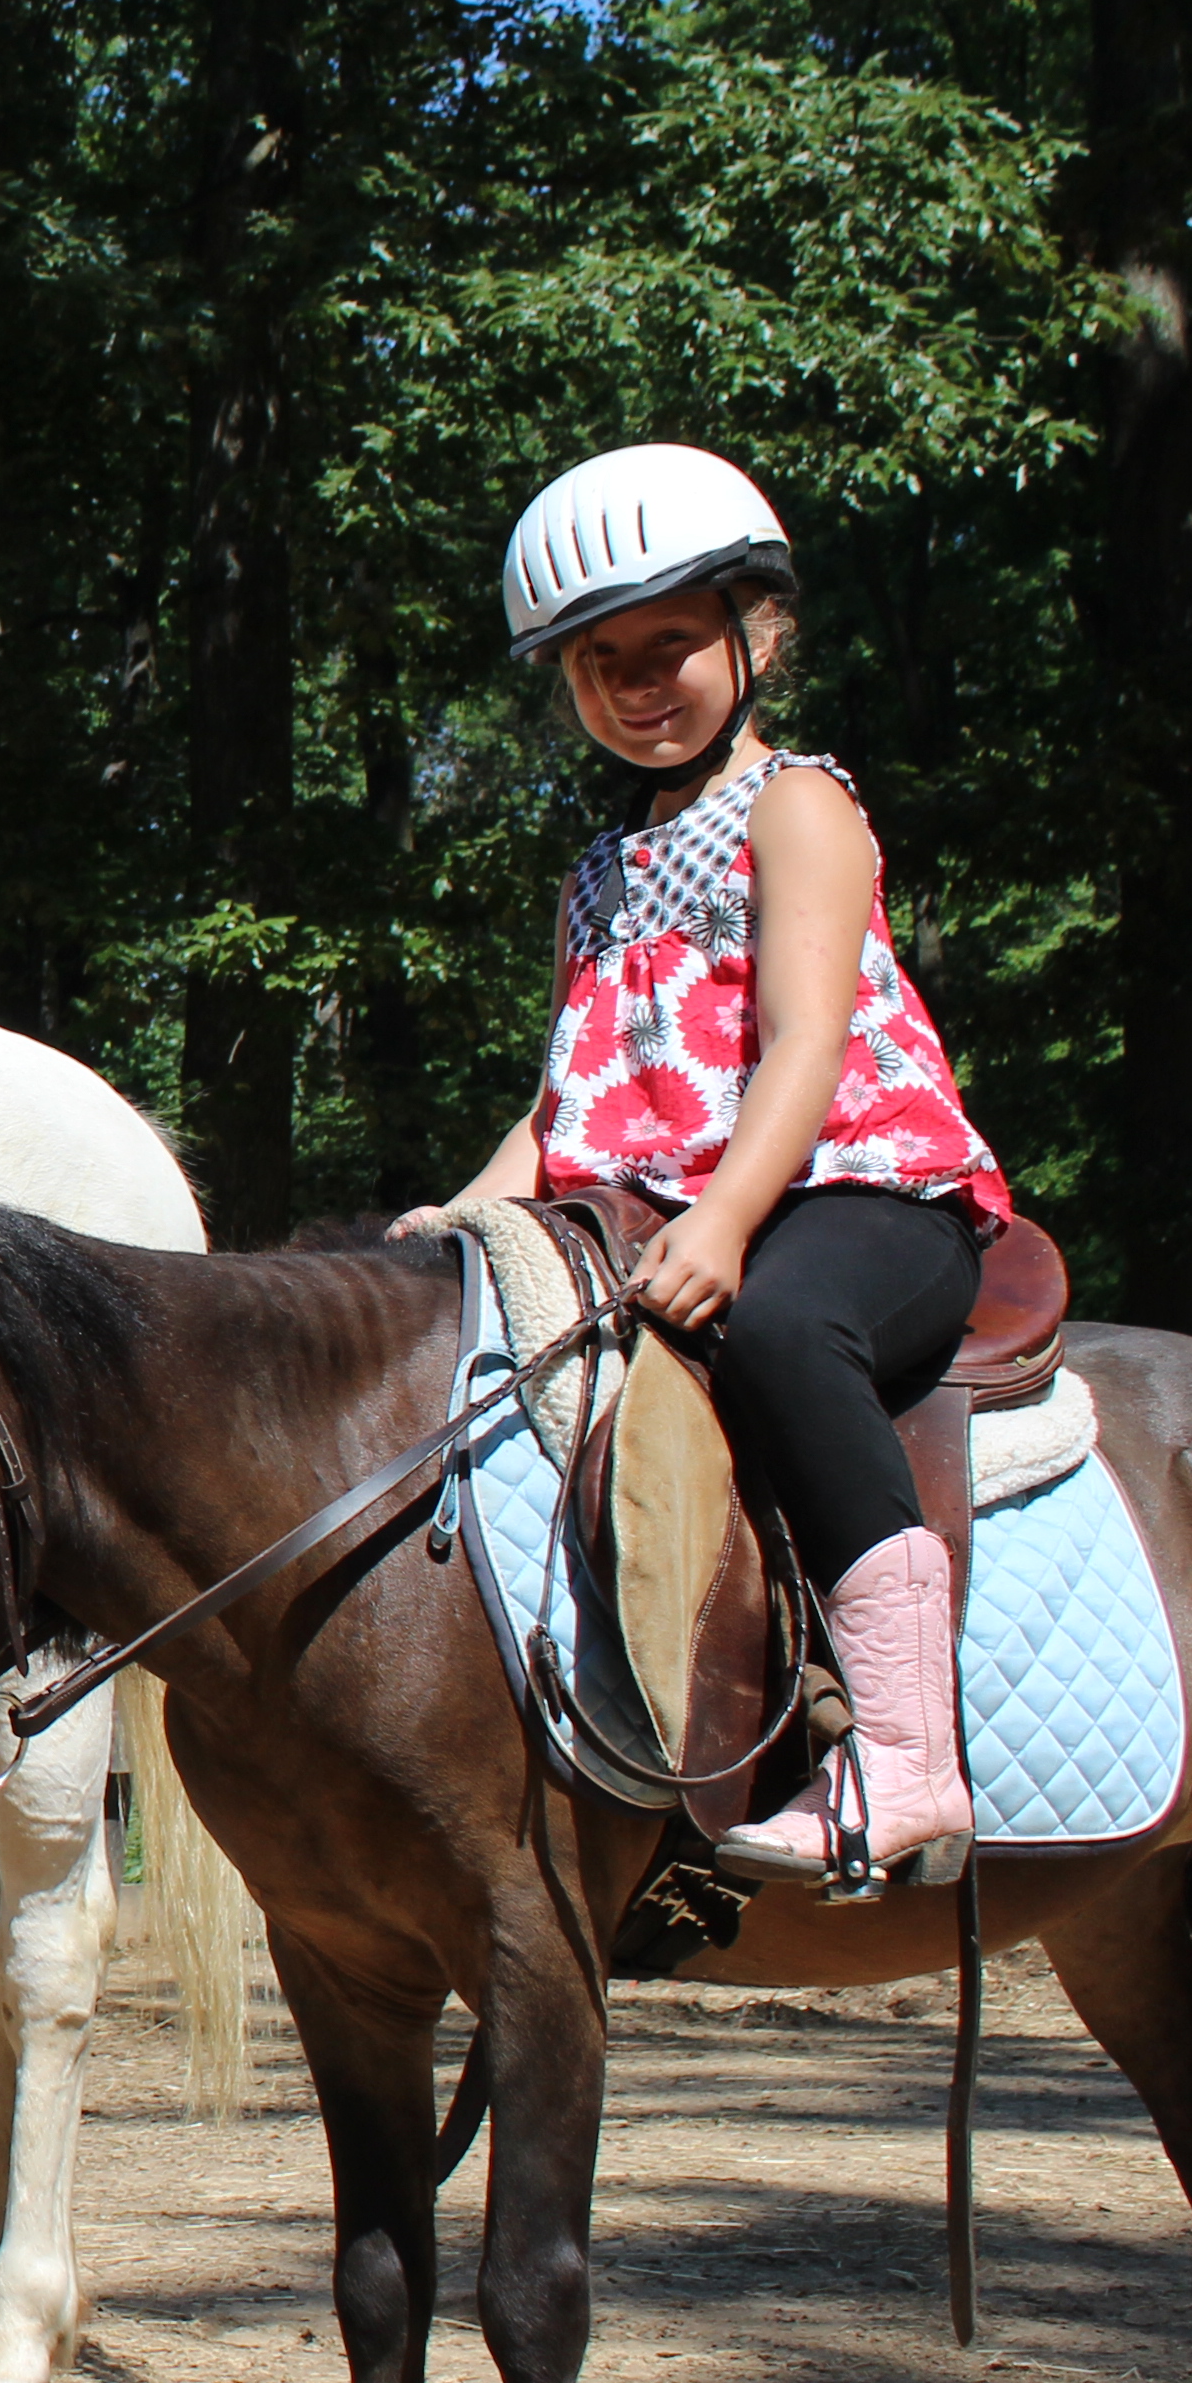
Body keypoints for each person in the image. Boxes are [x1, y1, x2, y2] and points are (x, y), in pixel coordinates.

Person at [391, 442, 1012, 1892]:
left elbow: (803, 1042)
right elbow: (565, 1106)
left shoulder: (799, 803)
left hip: (863, 1189)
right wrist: (459, 1217)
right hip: (674, 1212)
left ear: (763, 631)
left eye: (672, 644)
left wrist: (733, 1217)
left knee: (793, 1331)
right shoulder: (598, 876)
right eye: (599, 660)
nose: (636, 681)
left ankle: (911, 1757)